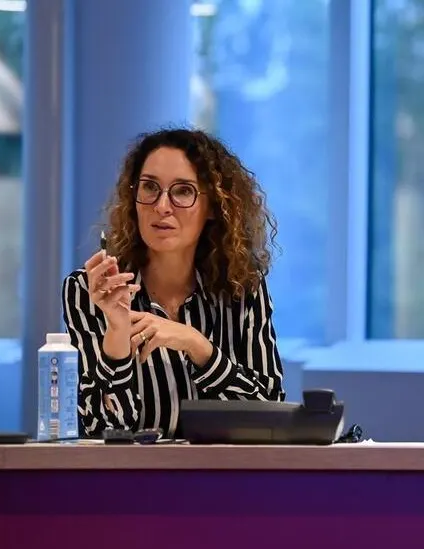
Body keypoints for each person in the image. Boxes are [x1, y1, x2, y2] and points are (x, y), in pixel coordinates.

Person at [62, 128, 285, 438]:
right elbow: (101, 429)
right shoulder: (90, 291)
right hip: (126, 479)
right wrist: (117, 333)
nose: (162, 206)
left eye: (182, 191)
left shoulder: (241, 287)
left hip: (224, 478)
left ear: (212, 206)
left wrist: (197, 345)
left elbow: (269, 413)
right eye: (150, 188)